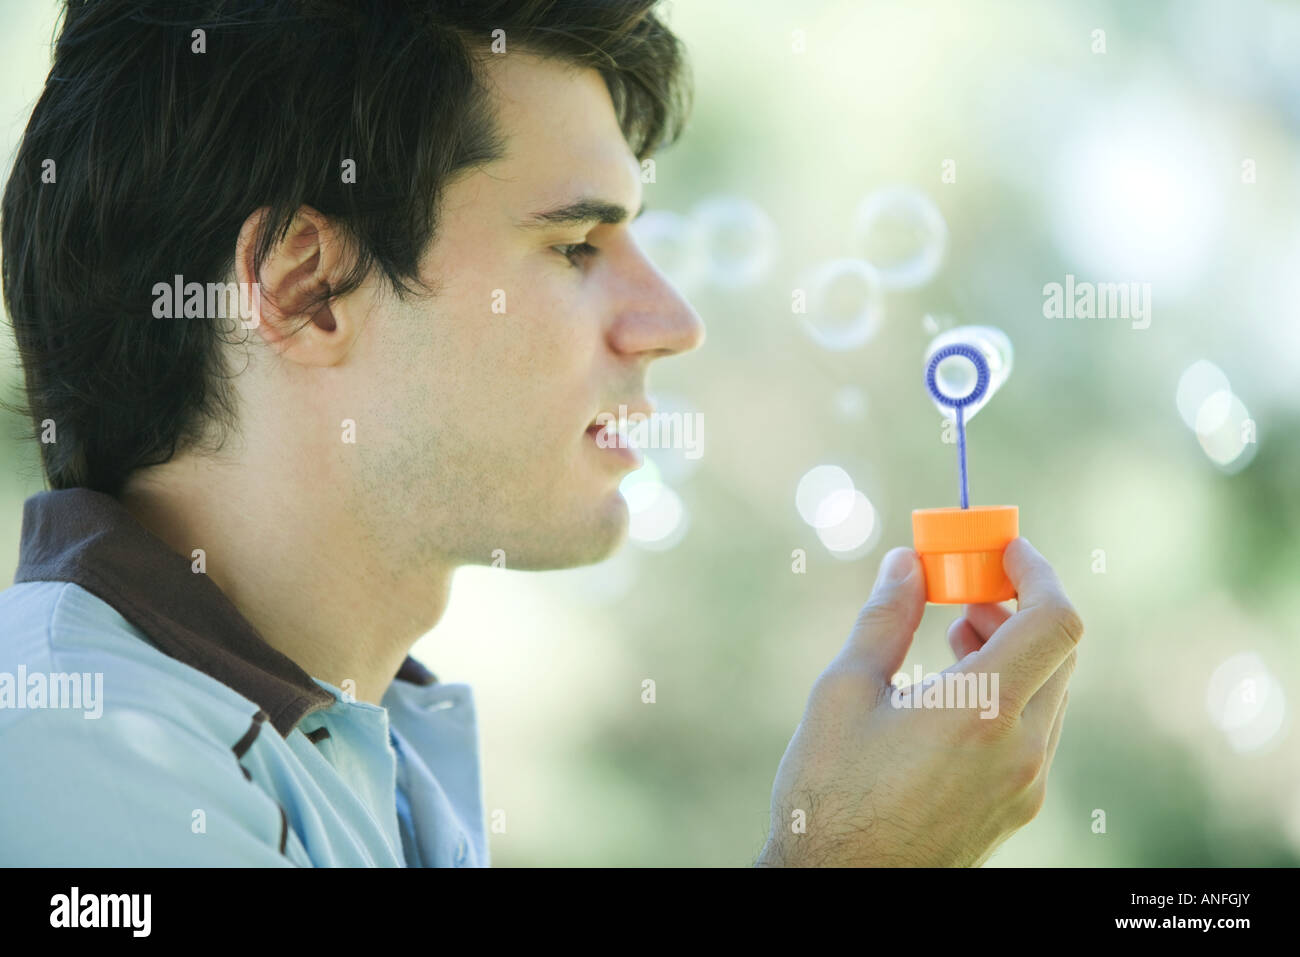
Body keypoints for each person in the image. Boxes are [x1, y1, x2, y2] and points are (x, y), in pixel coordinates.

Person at [0, 0, 1083, 867]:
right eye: (575, 244)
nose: (671, 322)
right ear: (307, 288)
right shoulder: (80, 756)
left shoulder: (365, 749)